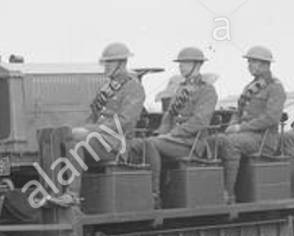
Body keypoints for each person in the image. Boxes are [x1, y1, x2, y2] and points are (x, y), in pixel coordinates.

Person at [48, 42, 145, 207]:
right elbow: (93, 116)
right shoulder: (107, 88)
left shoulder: (133, 87)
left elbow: (125, 122)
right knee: (62, 135)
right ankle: (54, 191)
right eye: (105, 62)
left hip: (116, 143)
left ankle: (72, 195)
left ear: (122, 63)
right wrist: (83, 128)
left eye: (109, 62)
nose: (105, 66)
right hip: (100, 139)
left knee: (77, 140)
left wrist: (89, 130)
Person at [137, 47, 218, 204]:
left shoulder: (207, 90)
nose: (181, 66)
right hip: (176, 140)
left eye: (185, 63)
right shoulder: (181, 89)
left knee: (150, 144)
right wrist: (161, 132)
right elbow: (169, 116)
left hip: (192, 143)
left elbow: (200, 121)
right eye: (180, 63)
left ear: (197, 65)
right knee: (146, 142)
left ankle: (154, 195)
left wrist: (173, 134)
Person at [213, 46, 286, 204]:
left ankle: (228, 194)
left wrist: (240, 128)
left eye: (254, 61)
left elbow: (271, 118)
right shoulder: (251, 87)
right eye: (249, 61)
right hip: (247, 136)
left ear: (266, 65)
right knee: (216, 139)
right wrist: (231, 126)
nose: (250, 65)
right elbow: (239, 112)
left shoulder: (275, 87)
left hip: (264, 139)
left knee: (230, 143)